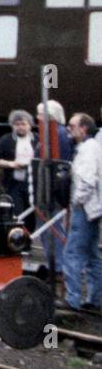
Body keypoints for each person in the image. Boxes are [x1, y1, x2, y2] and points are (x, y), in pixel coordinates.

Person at [63, 113, 102, 311]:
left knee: (72, 254)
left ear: (83, 128)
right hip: (93, 208)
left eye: (72, 125)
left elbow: (87, 182)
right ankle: (96, 298)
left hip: (84, 208)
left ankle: (73, 300)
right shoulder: (93, 147)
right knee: (92, 254)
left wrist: (75, 202)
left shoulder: (87, 150)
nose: (68, 128)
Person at [36, 99, 74, 273]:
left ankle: (59, 265)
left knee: (52, 227)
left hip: (51, 189)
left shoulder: (56, 134)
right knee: (51, 227)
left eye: (39, 114)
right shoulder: (56, 133)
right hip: (50, 187)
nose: (36, 117)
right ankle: (58, 263)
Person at [0, 110, 39, 231]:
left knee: (31, 215)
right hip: (14, 183)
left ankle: (28, 241)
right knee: (16, 213)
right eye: (17, 124)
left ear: (30, 125)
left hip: (33, 183)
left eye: (23, 124)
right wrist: (10, 164)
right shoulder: (5, 140)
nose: (20, 127)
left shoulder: (37, 140)